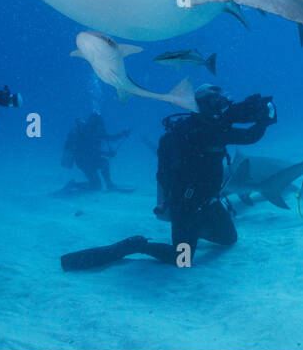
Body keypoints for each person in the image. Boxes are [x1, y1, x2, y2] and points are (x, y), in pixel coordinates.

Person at [60, 88, 276, 270]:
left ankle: (194, 233)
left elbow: (249, 137)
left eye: (220, 101)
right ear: (200, 105)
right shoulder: (187, 133)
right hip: (185, 206)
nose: (219, 107)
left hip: (209, 202)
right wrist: (239, 119)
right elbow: (205, 140)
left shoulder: (216, 130)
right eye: (214, 102)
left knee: (229, 239)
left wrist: (264, 121)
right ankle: (138, 245)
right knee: (182, 260)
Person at [60, 112, 130, 193]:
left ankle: (110, 185)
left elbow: (110, 138)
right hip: (83, 162)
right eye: (98, 125)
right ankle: (74, 184)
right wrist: (107, 153)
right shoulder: (86, 133)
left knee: (104, 163)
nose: (100, 128)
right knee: (96, 186)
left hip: (92, 160)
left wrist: (123, 134)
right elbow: (89, 151)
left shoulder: (97, 131)